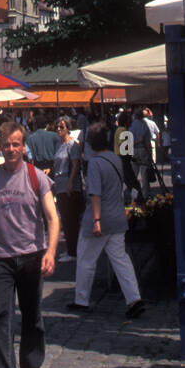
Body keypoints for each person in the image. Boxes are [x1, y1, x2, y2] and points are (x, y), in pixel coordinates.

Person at [0, 120, 59, 368]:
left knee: (32, 314)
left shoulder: (36, 177)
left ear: (24, 146)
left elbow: (52, 218)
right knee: (0, 315)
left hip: (31, 255)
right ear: (0, 147)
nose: (11, 149)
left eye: (16, 144)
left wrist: (50, 252)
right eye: (7, 145)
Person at [68, 122, 144, 316]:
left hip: (100, 218)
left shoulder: (94, 163)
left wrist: (96, 220)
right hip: (118, 218)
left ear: (90, 143)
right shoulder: (115, 159)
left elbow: (95, 193)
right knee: (121, 260)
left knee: (86, 259)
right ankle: (134, 299)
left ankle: (82, 299)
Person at [51, 115, 84, 262]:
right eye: (57, 127)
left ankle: (74, 252)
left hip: (69, 186)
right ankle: (71, 249)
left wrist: (71, 182)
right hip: (59, 185)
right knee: (65, 218)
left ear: (68, 128)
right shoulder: (59, 145)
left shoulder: (72, 145)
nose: (58, 129)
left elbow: (76, 164)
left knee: (71, 219)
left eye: (61, 127)